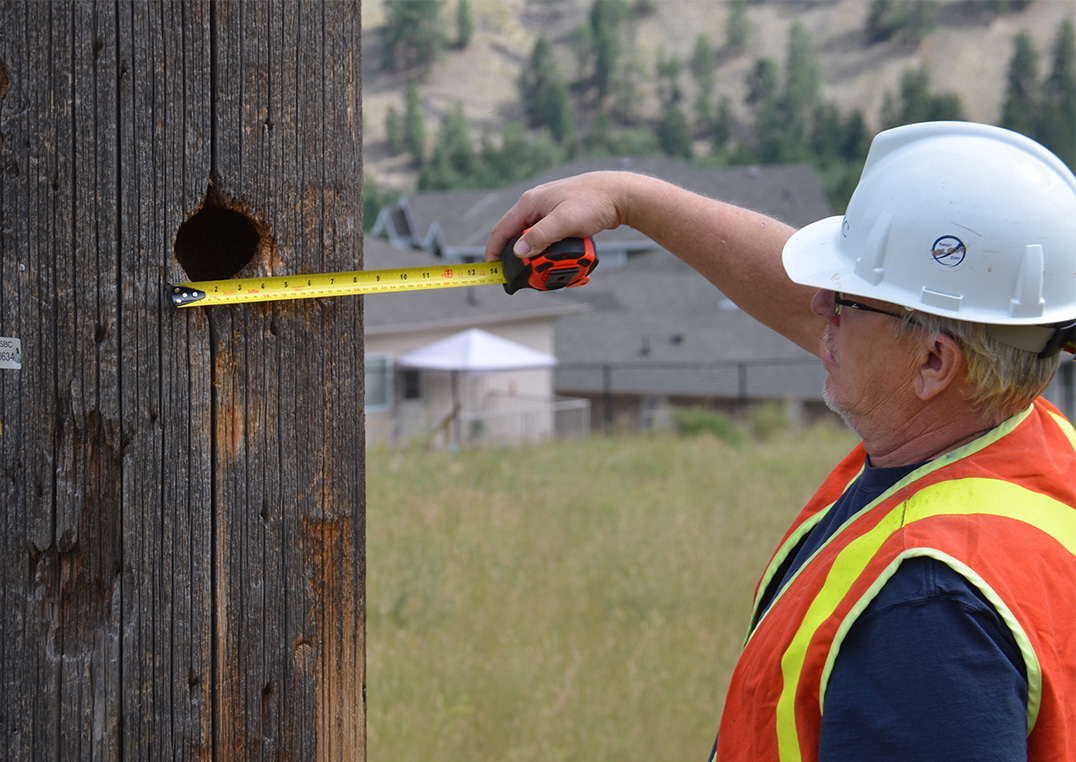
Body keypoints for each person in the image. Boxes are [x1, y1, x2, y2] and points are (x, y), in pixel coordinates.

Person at [484, 121, 1076, 762]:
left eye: (850, 298)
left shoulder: (925, 613)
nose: (820, 304)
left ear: (935, 362)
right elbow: (812, 301)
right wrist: (631, 199)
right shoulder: (1022, 437)